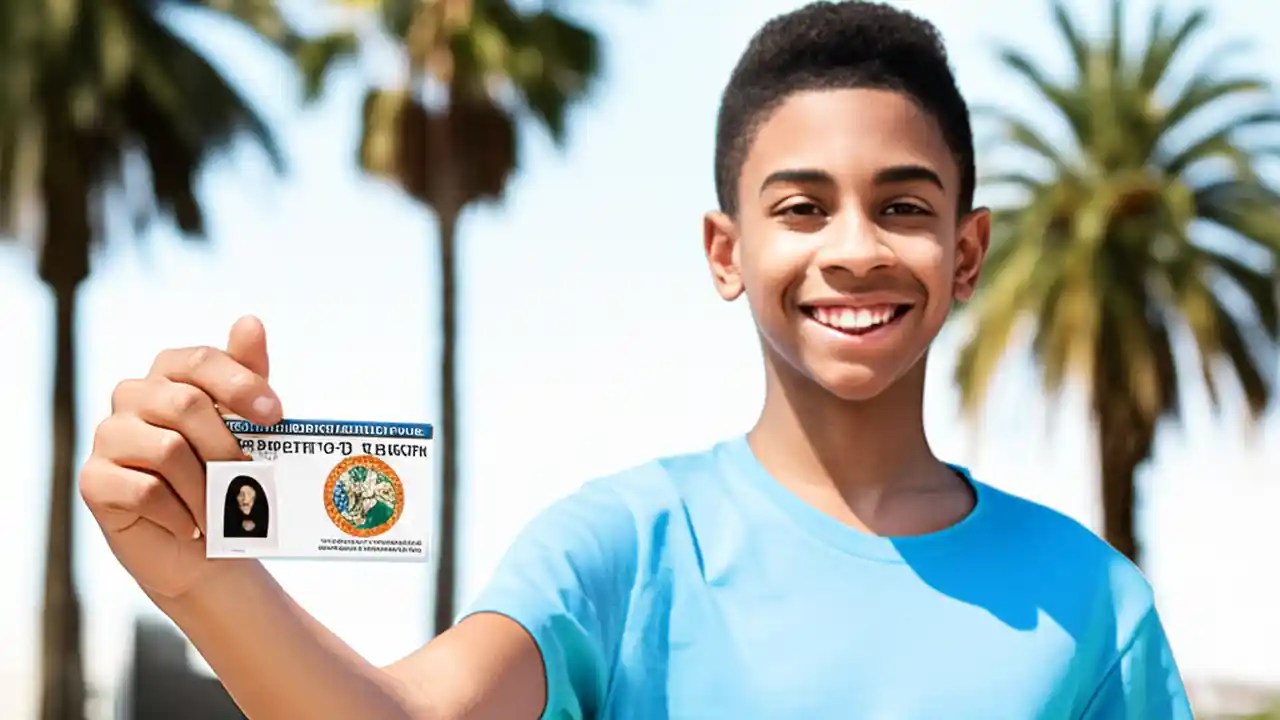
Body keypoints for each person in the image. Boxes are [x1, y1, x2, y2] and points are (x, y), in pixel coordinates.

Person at [78, 2, 1194, 718]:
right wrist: (201, 576)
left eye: (900, 207)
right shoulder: (617, 551)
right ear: (726, 250)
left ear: (964, 251)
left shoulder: (1091, 606)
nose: (852, 249)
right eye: (800, 207)